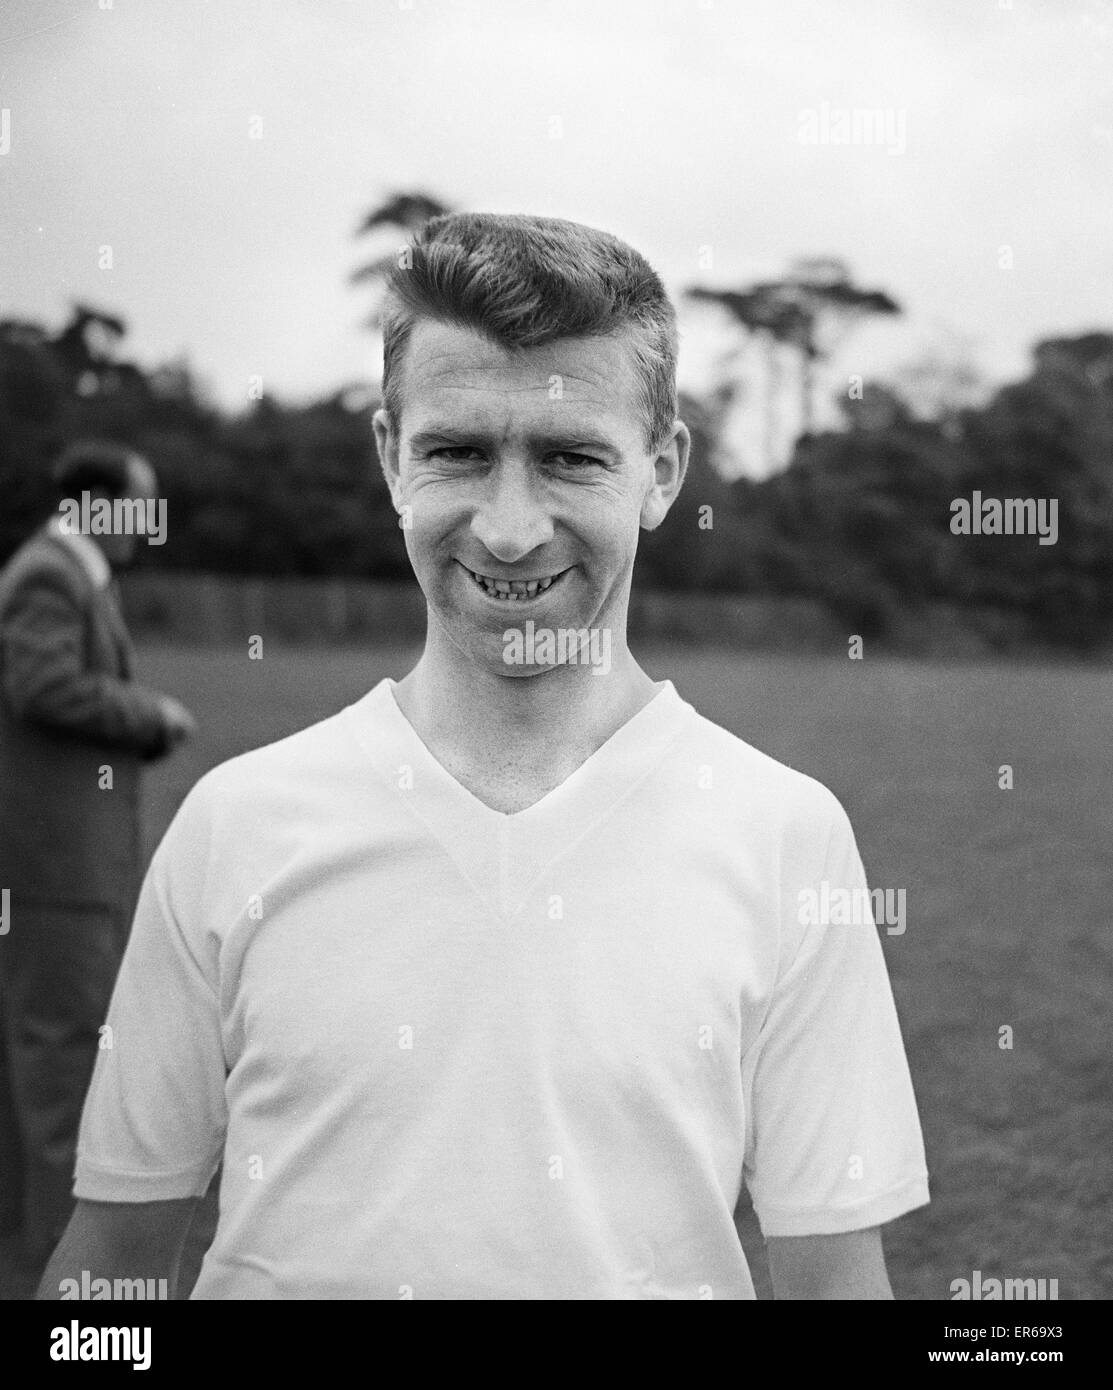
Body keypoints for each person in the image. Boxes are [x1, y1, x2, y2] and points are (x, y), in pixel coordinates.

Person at [40, 215, 928, 1300]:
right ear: (390, 459)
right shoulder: (237, 823)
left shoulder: (786, 836)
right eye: (459, 451)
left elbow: (836, 1286)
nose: (510, 529)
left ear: (661, 472)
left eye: (569, 458)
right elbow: (109, 1276)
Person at [0, 441, 195, 1263]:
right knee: (62, 1059)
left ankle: (26, 1244)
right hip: (53, 867)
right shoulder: (50, 574)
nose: (147, 529)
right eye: (139, 509)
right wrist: (148, 714)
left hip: (62, 864)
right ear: (97, 504)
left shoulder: (65, 572)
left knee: (42, 1055)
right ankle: (56, 1260)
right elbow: (40, 687)